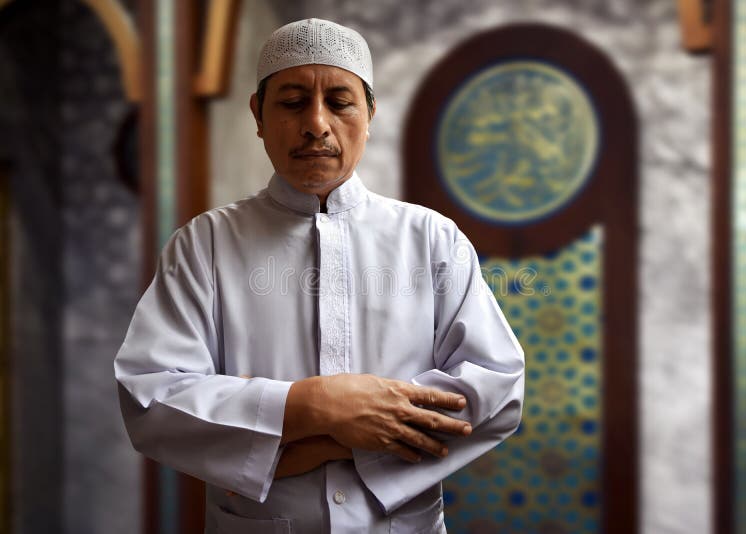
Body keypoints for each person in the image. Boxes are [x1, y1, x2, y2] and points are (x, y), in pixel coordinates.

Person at [114, 18, 524, 534]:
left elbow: (495, 385)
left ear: (369, 115)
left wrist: (305, 443)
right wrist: (314, 405)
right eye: (292, 103)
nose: (316, 124)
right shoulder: (203, 245)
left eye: (339, 101)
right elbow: (152, 396)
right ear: (258, 115)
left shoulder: (431, 238)